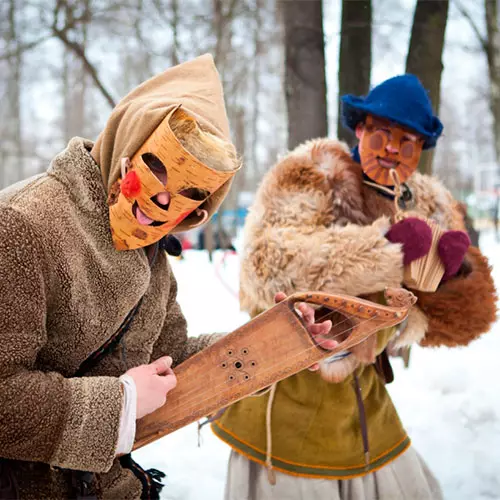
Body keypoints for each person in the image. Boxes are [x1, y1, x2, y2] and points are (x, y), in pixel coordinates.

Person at [212, 75, 498, 499]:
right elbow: (267, 262)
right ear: (361, 129)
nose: (390, 151)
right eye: (382, 134)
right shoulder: (311, 174)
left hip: (363, 399)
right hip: (287, 389)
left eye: (407, 143)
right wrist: (383, 253)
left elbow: (452, 322)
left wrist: (447, 285)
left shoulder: (427, 204)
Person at [0, 54, 243, 499]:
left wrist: (280, 337)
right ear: (129, 140)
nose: (164, 203)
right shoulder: (23, 224)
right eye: (158, 169)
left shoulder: (151, 255)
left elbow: (169, 359)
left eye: (190, 193)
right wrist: (121, 403)